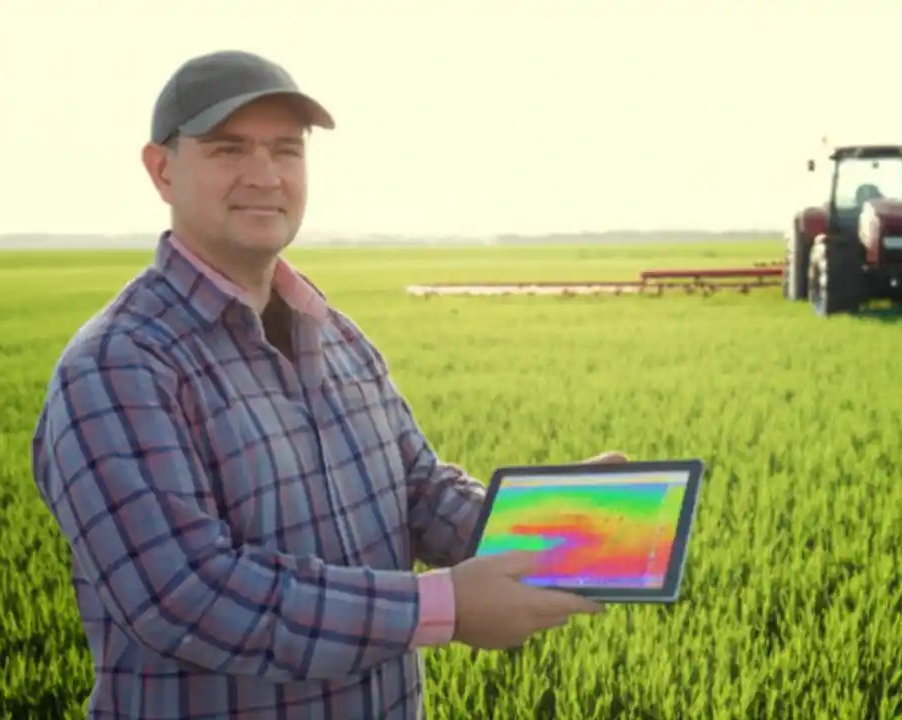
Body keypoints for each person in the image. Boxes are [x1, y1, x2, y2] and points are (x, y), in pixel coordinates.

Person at [30, 49, 621, 719]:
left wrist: (556, 527)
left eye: (286, 151)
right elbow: (186, 595)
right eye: (230, 149)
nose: (265, 176)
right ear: (162, 170)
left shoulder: (335, 335)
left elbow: (419, 491)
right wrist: (445, 607)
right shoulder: (119, 366)